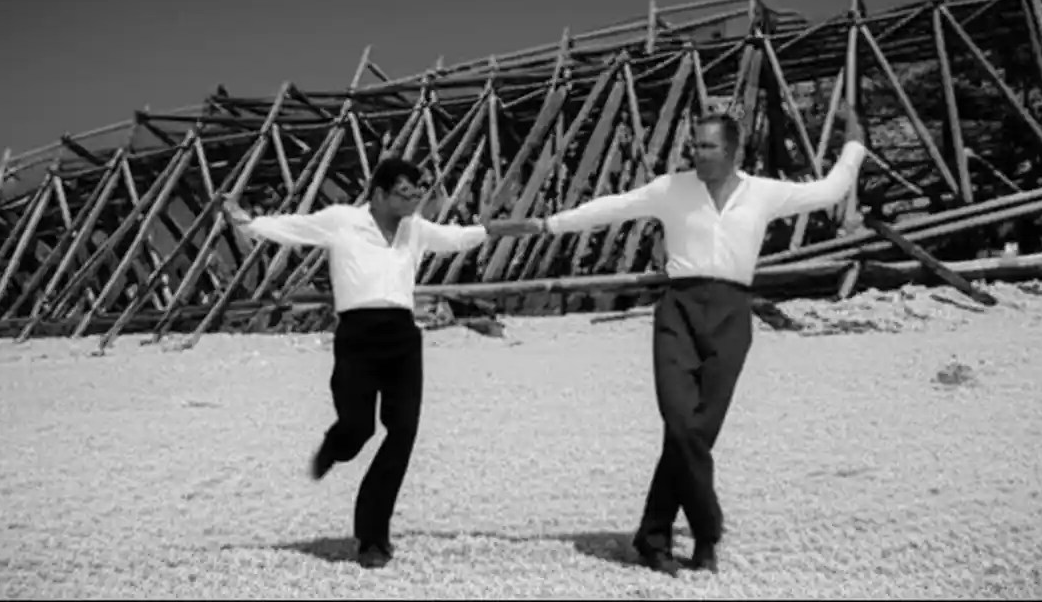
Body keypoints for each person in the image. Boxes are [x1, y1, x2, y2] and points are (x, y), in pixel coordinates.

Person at [491, 108, 868, 576]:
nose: (696, 152)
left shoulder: (764, 192)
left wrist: (854, 144)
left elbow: (828, 190)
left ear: (732, 151)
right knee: (679, 421)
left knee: (697, 432)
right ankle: (708, 531)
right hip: (679, 311)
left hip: (732, 313)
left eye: (707, 146)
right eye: (694, 144)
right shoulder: (672, 188)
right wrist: (548, 226)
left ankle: (654, 536)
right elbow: (613, 206)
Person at [222, 157, 500, 570]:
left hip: (403, 335)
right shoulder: (342, 220)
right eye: (405, 193)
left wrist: (512, 228)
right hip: (357, 334)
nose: (413, 200)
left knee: (402, 431)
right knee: (357, 428)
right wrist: (247, 223)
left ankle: (373, 537)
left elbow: (458, 237)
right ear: (381, 193)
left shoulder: (416, 229)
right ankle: (334, 447)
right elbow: (293, 227)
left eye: (416, 192)